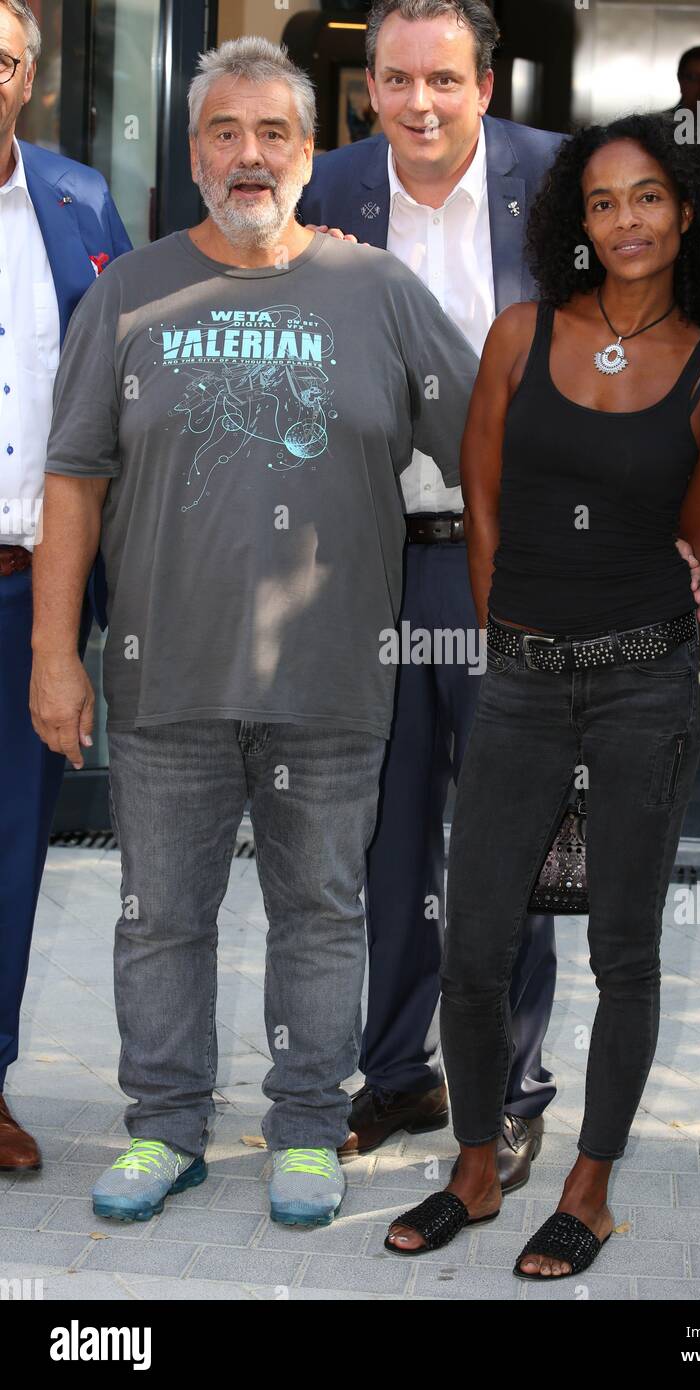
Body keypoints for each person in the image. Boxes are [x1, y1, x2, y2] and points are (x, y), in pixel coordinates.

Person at [29, 36, 478, 1228]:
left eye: (272, 132)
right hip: (166, 677)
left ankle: (305, 1125)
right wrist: (56, 651)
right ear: (191, 156)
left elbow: (485, 439)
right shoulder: (132, 290)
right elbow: (71, 476)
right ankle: (165, 1127)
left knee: (320, 915)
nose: (248, 155)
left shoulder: (374, 289)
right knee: (159, 917)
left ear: (309, 150)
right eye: (224, 133)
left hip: (333, 678)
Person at [384, 112, 700, 1275]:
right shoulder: (516, 335)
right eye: (602, 203)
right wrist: (510, 635)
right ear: (575, 223)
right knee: (477, 945)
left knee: (623, 949)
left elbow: (692, 548)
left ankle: (590, 1187)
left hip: (643, 686)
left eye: (647, 197)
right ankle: (478, 1163)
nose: (626, 220)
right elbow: (483, 497)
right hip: (522, 680)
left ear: (684, 211)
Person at [299, 0, 564, 1191]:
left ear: (485, 85)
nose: (418, 104)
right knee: (382, 827)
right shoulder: (325, 188)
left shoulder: (559, 187)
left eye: (442, 81)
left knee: (507, 828)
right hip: (359, 559)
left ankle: (508, 1089)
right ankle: (397, 1069)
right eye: (395, 80)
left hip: (505, 560)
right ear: (367, 86)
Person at [0, 0, 130, 1171]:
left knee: (9, 846)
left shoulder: (80, 201)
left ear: (28, 79)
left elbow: (119, 398)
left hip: (23, 592)